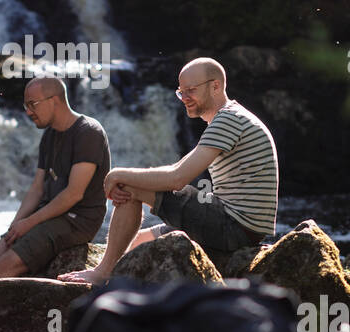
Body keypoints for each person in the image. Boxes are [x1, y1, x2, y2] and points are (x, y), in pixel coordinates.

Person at [59, 57, 277, 282]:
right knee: (134, 242)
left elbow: (177, 178)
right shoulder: (232, 117)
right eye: (181, 92)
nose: (185, 98)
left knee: (129, 187)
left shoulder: (229, 120)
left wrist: (117, 174)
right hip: (235, 223)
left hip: (233, 226)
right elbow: (177, 169)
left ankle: (102, 274)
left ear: (216, 86)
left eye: (191, 90)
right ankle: (110, 269)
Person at [0, 76, 111, 281]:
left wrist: (29, 223)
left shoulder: (88, 132)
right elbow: (37, 189)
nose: (28, 112)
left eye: (32, 104)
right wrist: (16, 224)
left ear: (55, 100)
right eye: (25, 105)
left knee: (2, 267)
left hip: (77, 220)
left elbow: (74, 194)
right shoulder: (49, 135)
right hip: (49, 215)